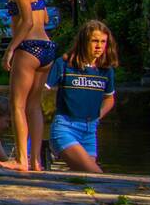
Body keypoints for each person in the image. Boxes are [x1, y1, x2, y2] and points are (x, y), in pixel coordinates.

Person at [3, 0, 56, 171]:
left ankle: (21, 159)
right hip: (47, 47)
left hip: (29, 48)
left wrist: (10, 49)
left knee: (17, 105)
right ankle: (36, 161)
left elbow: (27, 23)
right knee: (34, 106)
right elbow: (43, 19)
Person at [46, 21, 118, 174]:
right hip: (65, 127)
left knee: (85, 179)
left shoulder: (106, 70)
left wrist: (98, 117)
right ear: (84, 41)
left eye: (103, 42)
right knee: (96, 175)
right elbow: (42, 91)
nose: (99, 46)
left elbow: (109, 99)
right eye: (94, 41)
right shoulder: (65, 64)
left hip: (89, 131)